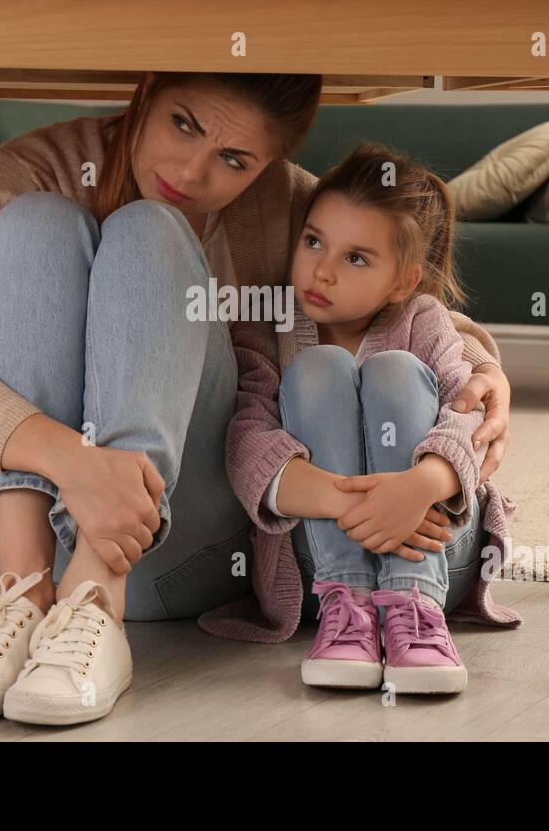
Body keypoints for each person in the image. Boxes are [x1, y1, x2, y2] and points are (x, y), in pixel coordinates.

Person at [0, 70, 516, 726]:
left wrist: (485, 368)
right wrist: (73, 463)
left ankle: (93, 602)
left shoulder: (277, 201)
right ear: (146, 91)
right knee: (34, 224)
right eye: (183, 124)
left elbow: (396, 291)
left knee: (151, 229)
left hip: (176, 550)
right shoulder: (35, 167)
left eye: (233, 159)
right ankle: (21, 596)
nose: (192, 171)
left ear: (265, 164)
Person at [221, 140, 524, 697]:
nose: (323, 270)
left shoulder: (424, 319)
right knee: (318, 369)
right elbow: (247, 444)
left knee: (393, 371)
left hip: (434, 548)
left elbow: (470, 413)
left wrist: (420, 486)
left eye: (356, 258)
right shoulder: (267, 331)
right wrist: (354, 502)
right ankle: (350, 610)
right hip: (322, 565)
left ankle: (415, 612)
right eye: (314, 242)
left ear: (403, 281)